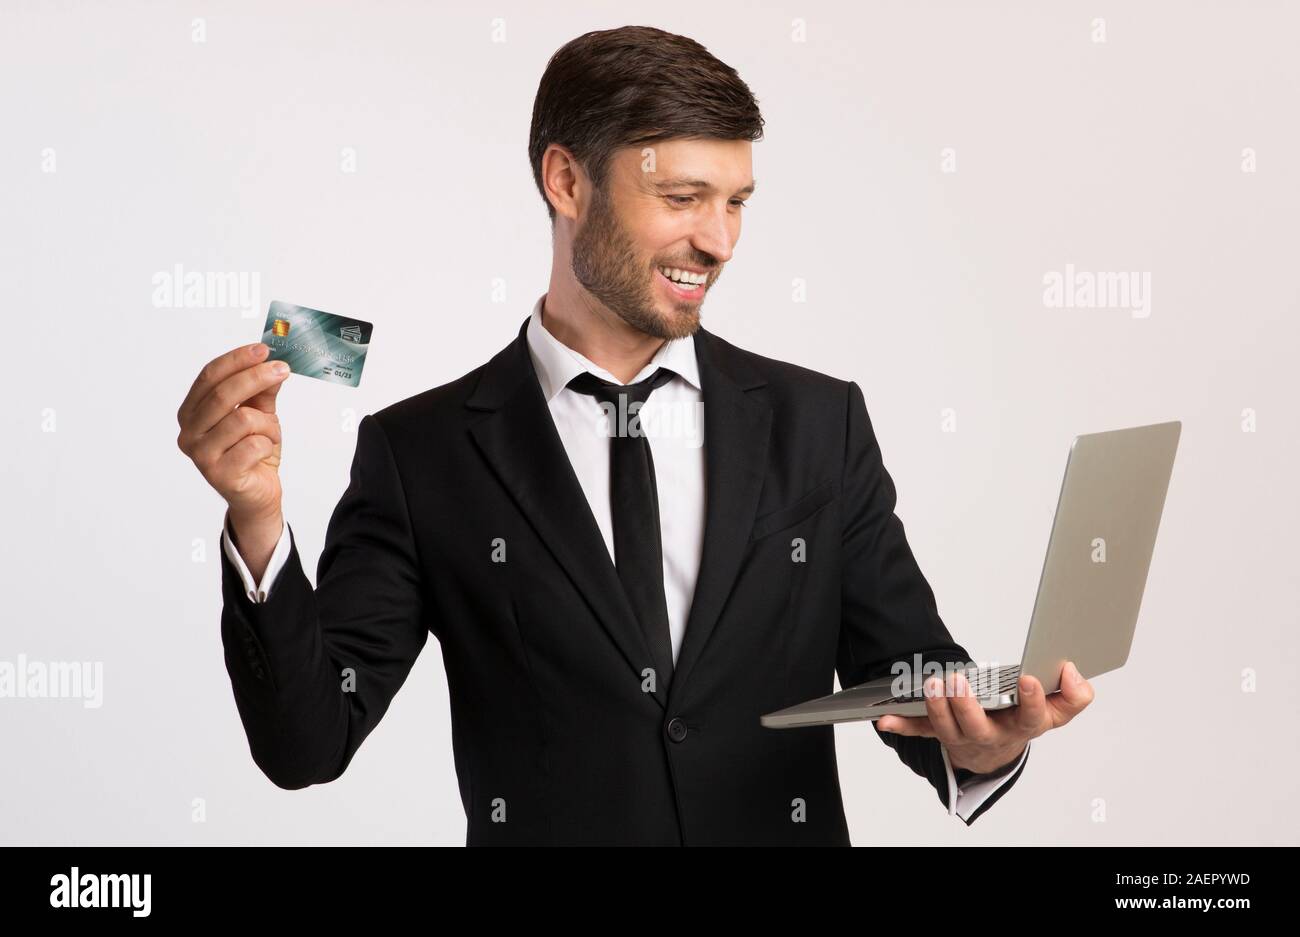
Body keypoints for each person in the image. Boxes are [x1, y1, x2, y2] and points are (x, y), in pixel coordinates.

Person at [176, 25, 1093, 845]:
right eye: (686, 197)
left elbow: (908, 669)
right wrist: (257, 520)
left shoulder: (821, 422)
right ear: (566, 180)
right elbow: (307, 742)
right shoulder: (422, 455)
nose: (721, 241)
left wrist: (984, 743)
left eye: (736, 202)